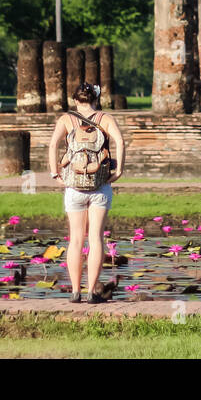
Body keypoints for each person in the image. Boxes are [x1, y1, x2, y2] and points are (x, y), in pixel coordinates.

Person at [48, 82, 125, 303]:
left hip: (74, 187)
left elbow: (53, 145)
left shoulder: (66, 119)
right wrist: (118, 170)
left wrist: (55, 174)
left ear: (75, 101)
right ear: (95, 100)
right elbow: (119, 141)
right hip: (100, 186)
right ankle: (92, 291)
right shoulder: (105, 118)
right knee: (96, 239)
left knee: (75, 240)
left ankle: (75, 291)